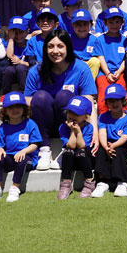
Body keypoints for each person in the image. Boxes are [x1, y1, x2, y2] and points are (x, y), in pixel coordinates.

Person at [24, 28, 98, 170]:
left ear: (68, 48)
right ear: (45, 49)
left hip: (71, 127)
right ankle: (44, 149)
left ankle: (66, 149)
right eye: (50, 46)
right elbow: (27, 105)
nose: (55, 51)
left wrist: (94, 130)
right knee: (40, 96)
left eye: (60, 46)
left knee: (65, 96)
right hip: (42, 126)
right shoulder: (36, 71)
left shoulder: (81, 68)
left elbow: (89, 103)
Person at [0, 92, 42, 203]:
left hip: (27, 158)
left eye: (18, 106)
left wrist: (23, 152)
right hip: (10, 158)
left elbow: (35, 144)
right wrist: (0, 150)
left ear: (24, 108)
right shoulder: (3, 127)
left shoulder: (30, 124)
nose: (15, 109)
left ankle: (15, 188)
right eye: (11, 107)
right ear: (5, 111)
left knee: (22, 159)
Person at [91, 84, 127, 197]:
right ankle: (102, 182)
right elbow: (102, 132)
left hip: (121, 144)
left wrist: (113, 146)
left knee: (120, 152)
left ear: (123, 101)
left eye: (117, 100)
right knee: (100, 152)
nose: (114, 104)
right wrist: (106, 147)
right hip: (106, 142)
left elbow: (125, 137)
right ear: (107, 103)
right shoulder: (103, 117)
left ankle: (122, 182)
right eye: (110, 101)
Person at [57, 95, 98, 199]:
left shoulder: (89, 127)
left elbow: (82, 146)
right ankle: (66, 184)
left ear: (85, 116)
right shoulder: (63, 127)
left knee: (81, 152)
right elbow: (71, 145)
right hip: (70, 160)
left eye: (76, 114)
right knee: (67, 151)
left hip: (85, 160)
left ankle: (89, 182)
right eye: (70, 112)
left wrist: (78, 131)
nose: (72, 116)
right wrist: (72, 130)